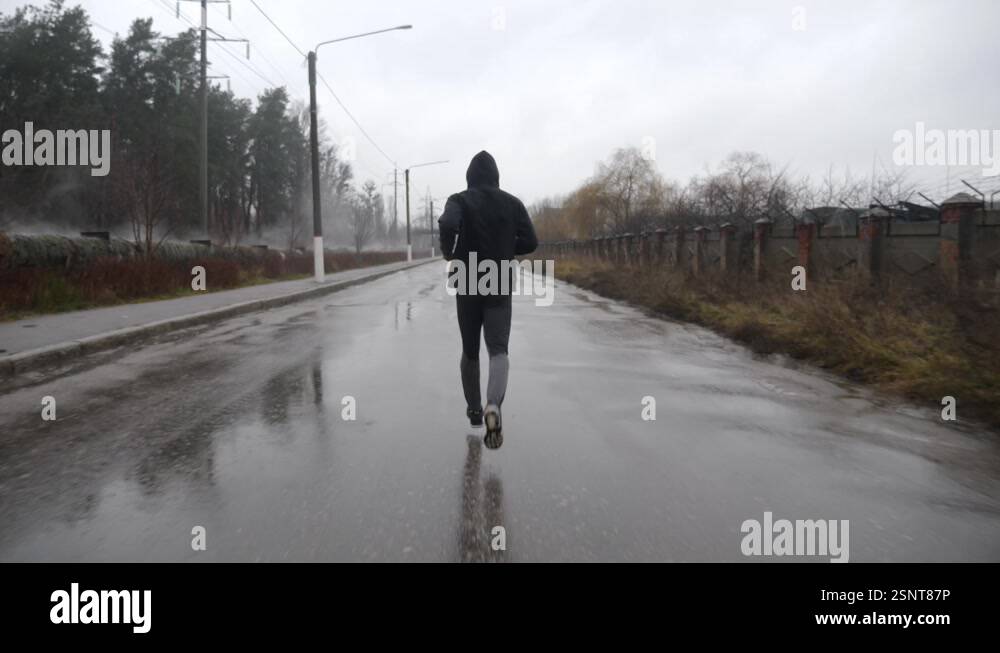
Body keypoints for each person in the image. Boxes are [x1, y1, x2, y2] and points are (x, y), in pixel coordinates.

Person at [438, 151, 538, 449]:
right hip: (498, 280)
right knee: (498, 350)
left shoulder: (458, 199)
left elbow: (447, 223)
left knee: (470, 351)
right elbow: (531, 242)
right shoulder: (512, 203)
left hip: (467, 279)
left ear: (470, 176)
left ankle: (474, 410)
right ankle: (493, 405)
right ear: (496, 176)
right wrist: (507, 246)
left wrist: (450, 253)